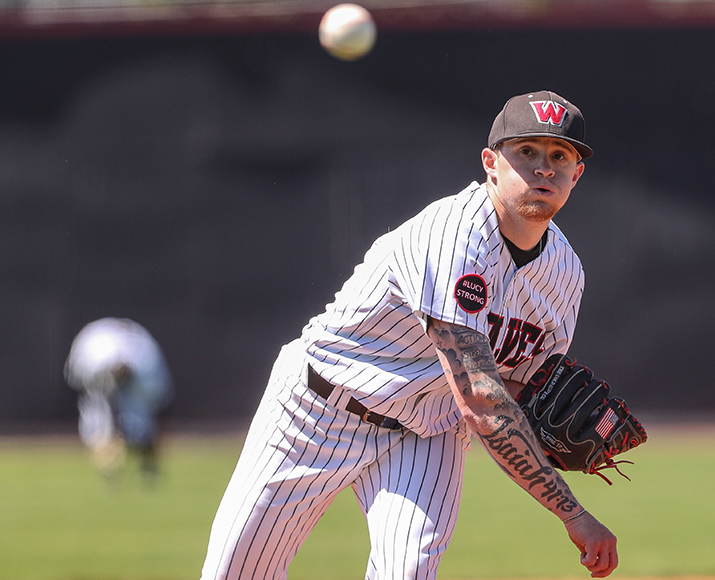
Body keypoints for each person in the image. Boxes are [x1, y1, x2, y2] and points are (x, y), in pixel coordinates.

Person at [200, 91, 619, 580]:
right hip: (317, 409)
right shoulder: (452, 236)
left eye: (559, 155)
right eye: (525, 151)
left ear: (576, 173)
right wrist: (573, 513)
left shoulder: (566, 273)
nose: (543, 168)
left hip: (426, 430)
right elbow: (482, 402)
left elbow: (522, 386)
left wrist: (543, 405)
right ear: (491, 162)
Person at [64, 317, 174, 482]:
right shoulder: (94, 357)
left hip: (136, 385)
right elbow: (77, 377)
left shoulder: (145, 364)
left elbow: (157, 394)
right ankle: (112, 467)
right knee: (98, 431)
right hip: (99, 383)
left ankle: (147, 464)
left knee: (140, 430)